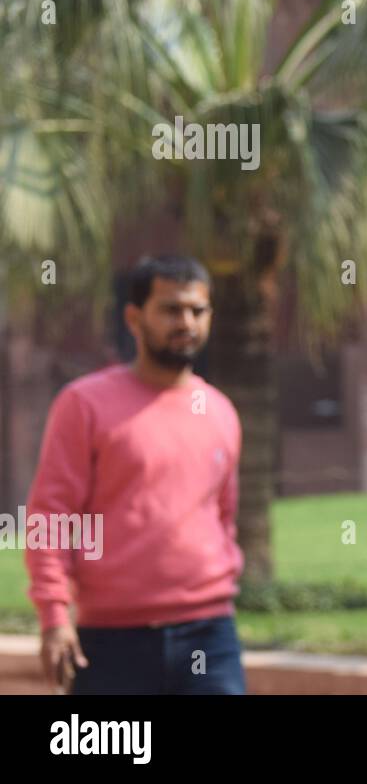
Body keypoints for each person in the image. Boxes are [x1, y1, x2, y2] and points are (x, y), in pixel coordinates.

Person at [25, 254, 246, 694]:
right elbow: (51, 517)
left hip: (208, 633)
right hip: (109, 641)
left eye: (197, 311)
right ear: (133, 317)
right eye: (170, 309)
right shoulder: (85, 405)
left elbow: (223, 518)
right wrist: (53, 615)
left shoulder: (219, 411)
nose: (186, 322)